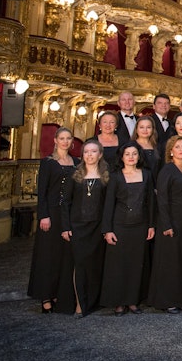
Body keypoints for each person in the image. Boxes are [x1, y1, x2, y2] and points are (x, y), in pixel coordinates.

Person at [100, 142, 155, 316]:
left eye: (134, 154)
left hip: (140, 225)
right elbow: (109, 204)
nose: (131, 157)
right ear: (122, 157)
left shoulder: (146, 174)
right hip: (119, 226)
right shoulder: (115, 176)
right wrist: (107, 230)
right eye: (127, 154)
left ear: (139, 156)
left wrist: (151, 225)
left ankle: (132, 301)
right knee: (118, 265)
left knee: (136, 265)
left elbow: (151, 204)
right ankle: (118, 302)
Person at [28, 127, 78, 314]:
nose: (65, 142)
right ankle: (46, 296)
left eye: (68, 138)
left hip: (69, 214)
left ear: (72, 142)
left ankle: (59, 293)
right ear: (55, 141)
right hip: (51, 214)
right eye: (62, 138)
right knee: (48, 255)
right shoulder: (48, 163)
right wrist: (44, 215)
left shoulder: (77, 162)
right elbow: (42, 192)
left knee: (64, 256)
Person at [59, 138, 108, 317]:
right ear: (82, 155)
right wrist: (65, 227)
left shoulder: (107, 175)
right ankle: (80, 304)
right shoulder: (74, 174)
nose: (89, 155)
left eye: (93, 151)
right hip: (77, 227)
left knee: (95, 265)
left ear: (100, 154)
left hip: (98, 226)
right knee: (79, 265)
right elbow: (65, 203)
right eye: (86, 152)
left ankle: (93, 301)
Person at [148, 135, 182, 313]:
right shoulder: (167, 170)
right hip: (172, 220)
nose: (181, 149)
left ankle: (180, 298)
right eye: (177, 147)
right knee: (170, 261)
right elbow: (162, 199)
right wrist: (166, 224)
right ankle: (166, 300)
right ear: (171, 151)